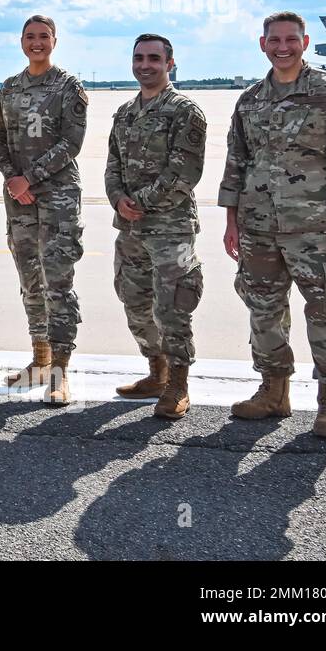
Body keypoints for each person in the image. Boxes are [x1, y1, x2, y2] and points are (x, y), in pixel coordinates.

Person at [221, 11, 326, 439]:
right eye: (275, 39)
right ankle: (273, 392)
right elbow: (237, 163)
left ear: (304, 43)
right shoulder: (250, 100)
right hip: (259, 230)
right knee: (264, 313)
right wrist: (232, 220)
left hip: (321, 232)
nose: (283, 46)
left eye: (291, 39)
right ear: (263, 44)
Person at [104, 34, 207, 420]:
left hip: (170, 228)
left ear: (169, 63)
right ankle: (156, 370)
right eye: (139, 58)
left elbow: (185, 172)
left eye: (153, 58)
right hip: (130, 229)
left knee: (173, 307)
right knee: (135, 302)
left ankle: (178, 383)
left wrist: (141, 202)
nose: (145, 65)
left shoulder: (184, 111)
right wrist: (117, 199)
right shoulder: (124, 113)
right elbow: (112, 165)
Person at [0, 15, 88, 405]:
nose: (37, 43)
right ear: (21, 41)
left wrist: (28, 178)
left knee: (58, 282)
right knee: (30, 280)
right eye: (30, 37)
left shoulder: (69, 87)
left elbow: (72, 143)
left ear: (55, 41)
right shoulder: (10, 88)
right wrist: (13, 178)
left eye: (43, 37)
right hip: (19, 200)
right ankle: (39, 360)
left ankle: (60, 373)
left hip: (57, 197)